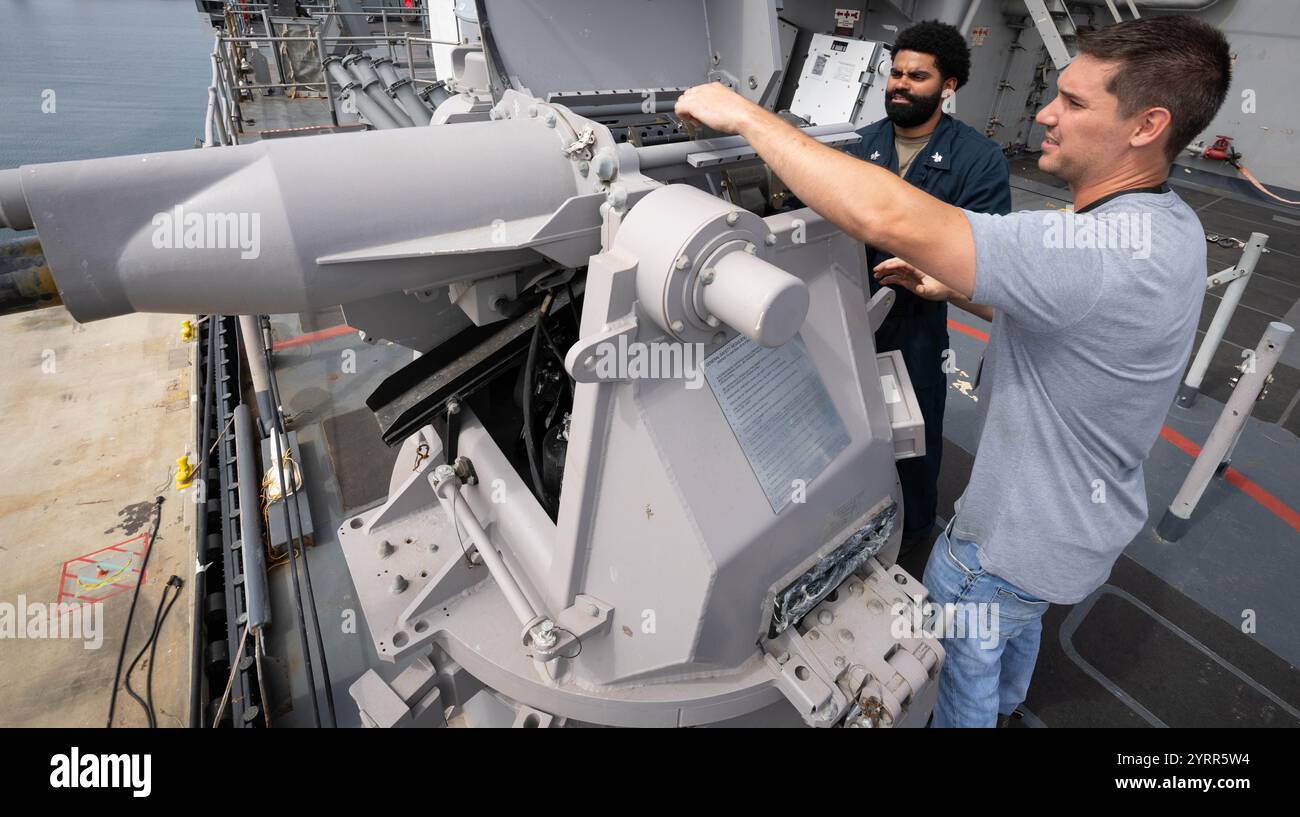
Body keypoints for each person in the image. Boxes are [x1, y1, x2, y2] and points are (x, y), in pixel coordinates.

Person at [675, 15, 1230, 727]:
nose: (1045, 114)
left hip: (999, 547)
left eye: (1075, 103)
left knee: (956, 683)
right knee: (1013, 635)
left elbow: (887, 212)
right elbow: (1086, 320)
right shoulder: (1168, 225)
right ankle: (1010, 700)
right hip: (1073, 536)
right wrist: (958, 287)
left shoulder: (1086, 248)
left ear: (1147, 125)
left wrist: (741, 114)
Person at [849, 20, 1011, 554]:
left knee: (913, 432)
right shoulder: (858, 144)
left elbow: (987, 259)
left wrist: (938, 278)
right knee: (845, 422)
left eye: (917, 76)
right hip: (844, 309)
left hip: (913, 323)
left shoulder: (977, 160)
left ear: (949, 86)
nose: (899, 84)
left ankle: (916, 528)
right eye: (895, 73)